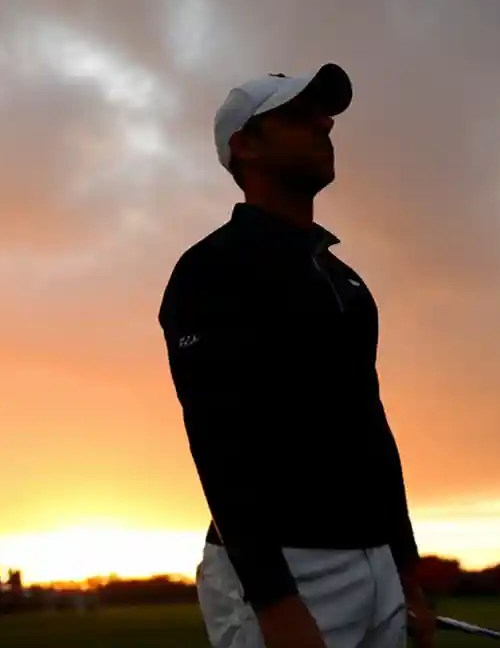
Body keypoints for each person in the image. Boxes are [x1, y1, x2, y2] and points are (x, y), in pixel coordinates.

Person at [157, 64, 435, 648]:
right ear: (245, 146)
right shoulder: (211, 269)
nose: (324, 124)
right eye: (297, 115)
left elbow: (371, 429)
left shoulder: (344, 279)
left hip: (376, 564)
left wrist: (406, 570)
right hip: (284, 569)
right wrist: (275, 600)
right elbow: (217, 437)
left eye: (324, 113)